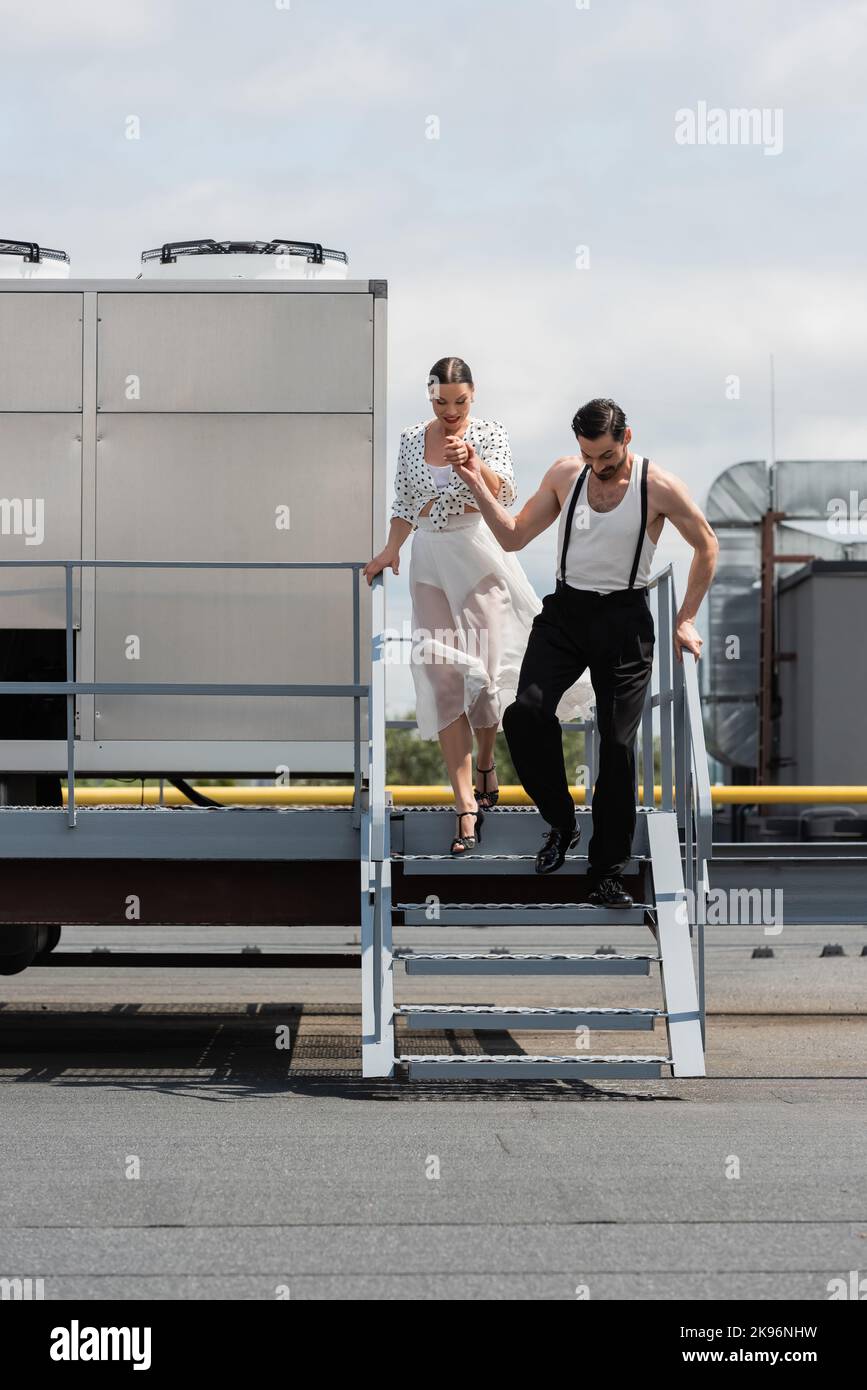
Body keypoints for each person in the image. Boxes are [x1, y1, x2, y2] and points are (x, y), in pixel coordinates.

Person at [452, 396, 718, 900]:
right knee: (525, 713)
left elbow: (707, 543)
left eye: (607, 459)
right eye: (589, 457)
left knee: (617, 744)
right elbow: (513, 537)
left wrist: (686, 618)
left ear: (627, 439)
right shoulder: (565, 475)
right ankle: (561, 820)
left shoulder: (657, 486)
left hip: (625, 620)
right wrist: (473, 482)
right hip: (566, 615)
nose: (597, 468)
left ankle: (606, 872)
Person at [363, 357, 593, 856]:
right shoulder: (409, 440)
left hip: (477, 553)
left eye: (460, 401)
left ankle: (487, 760)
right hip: (429, 559)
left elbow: (504, 492)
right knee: (445, 676)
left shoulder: (488, 432)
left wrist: (473, 464)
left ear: (473, 396)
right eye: (441, 401)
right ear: (430, 397)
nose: (450, 410)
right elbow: (404, 504)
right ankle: (466, 804)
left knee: (487, 677)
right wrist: (390, 549)